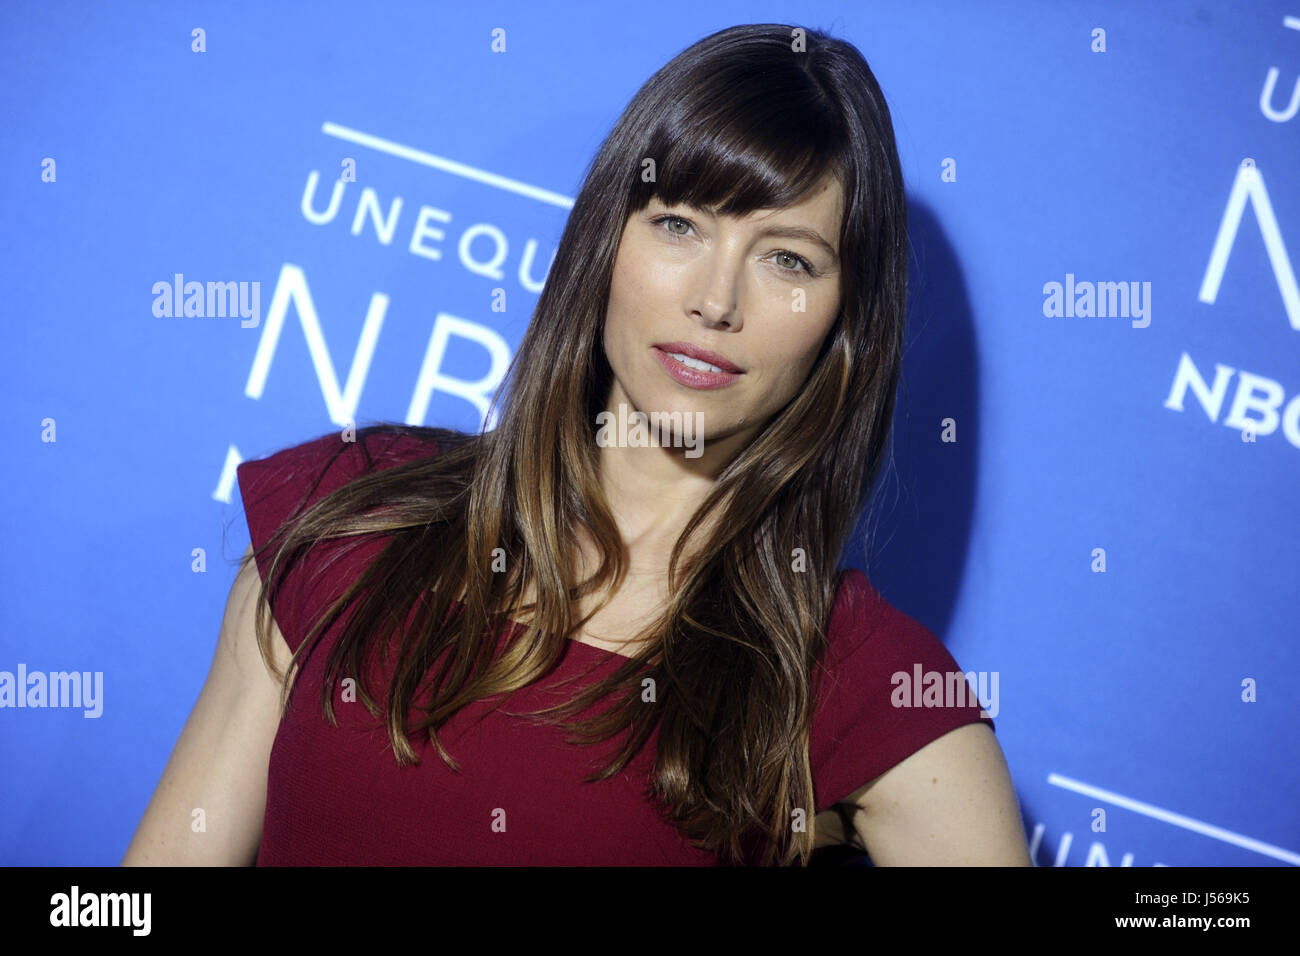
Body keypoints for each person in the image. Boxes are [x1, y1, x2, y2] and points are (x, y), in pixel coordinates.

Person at [123, 22, 1030, 867]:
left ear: (844, 325)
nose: (717, 300)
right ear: (608, 239)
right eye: (680, 224)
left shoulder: (862, 680)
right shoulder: (355, 514)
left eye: (787, 258)